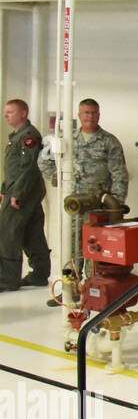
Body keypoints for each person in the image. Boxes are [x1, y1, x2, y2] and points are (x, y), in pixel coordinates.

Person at [37, 98, 128, 279]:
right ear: (79, 115)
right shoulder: (69, 140)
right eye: (86, 113)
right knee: (71, 249)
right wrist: (58, 180)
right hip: (74, 206)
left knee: (96, 249)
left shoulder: (109, 142)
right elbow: (43, 161)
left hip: (99, 207)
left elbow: (120, 175)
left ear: (99, 115)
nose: (90, 116)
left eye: (94, 113)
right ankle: (70, 289)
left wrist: (116, 205)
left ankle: (92, 287)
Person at [0, 99, 51, 292]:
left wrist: (17, 193)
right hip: (19, 191)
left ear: (23, 113)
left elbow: (29, 168)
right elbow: (12, 169)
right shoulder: (18, 135)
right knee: (32, 232)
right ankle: (39, 274)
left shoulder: (28, 136)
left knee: (7, 233)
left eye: (10, 112)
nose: (6, 116)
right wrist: (4, 191)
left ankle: (7, 279)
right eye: (5, 112)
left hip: (23, 192)